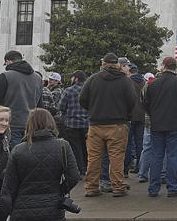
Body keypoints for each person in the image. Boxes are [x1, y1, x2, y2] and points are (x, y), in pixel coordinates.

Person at [1, 108, 80, 221]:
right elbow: (74, 176)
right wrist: (59, 190)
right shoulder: (63, 146)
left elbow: (9, 187)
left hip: (22, 209)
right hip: (53, 208)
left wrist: (1, 215)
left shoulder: (18, 150)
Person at [79, 53, 137, 198]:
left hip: (96, 124)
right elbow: (132, 101)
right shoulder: (124, 80)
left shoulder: (93, 79)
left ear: (103, 63)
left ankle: (91, 187)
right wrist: (124, 113)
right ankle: (118, 186)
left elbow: (82, 99)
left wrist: (93, 109)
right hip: (118, 124)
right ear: (117, 64)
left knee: (93, 158)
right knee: (117, 157)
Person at [143, 56, 177, 197]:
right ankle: (172, 188)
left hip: (157, 125)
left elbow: (145, 104)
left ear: (164, 66)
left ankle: (153, 188)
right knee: (172, 156)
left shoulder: (152, 84)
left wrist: (154, 115)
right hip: (176, 125)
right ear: (175, 67)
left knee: (156, 156)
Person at [0, 50, 43, 149]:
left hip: (10, 124)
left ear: (9, 61)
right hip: (31, 124)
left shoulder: (6, 76)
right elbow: (40, 105)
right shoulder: (38, 78)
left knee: (12, 156)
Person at [58, 70, 89, 175]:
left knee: (75, 148)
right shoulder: (90, 89)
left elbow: (61, 106)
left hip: (72, 123)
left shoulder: (69, 90)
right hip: (87, 124)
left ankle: (80, 170)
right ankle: (88, 168)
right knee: (86, 147)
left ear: (76, 78)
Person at [125, 63, 146, 178]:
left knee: (127, 144)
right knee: (140, 144)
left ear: (129, 71)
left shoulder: (127, 82)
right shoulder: (144, 82)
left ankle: (125, 169)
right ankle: (140, 167)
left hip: (130, 116)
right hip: (141, 116)